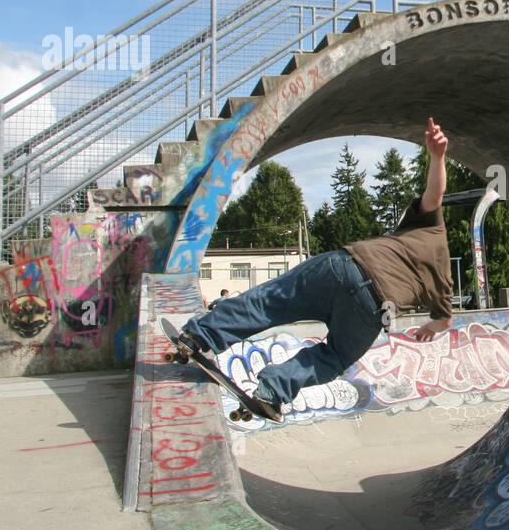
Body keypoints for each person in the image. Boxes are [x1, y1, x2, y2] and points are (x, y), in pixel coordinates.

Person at [174, 117, 455, 422]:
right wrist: (430, 327)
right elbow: (444, 321)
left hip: (343, 265)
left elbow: (435, 193)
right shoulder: (445, 283)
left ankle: (200, 335)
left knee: (270, 301)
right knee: (334, 357)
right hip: (371, 307)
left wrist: (437, 156)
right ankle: (274, 389)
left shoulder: (432, 227)